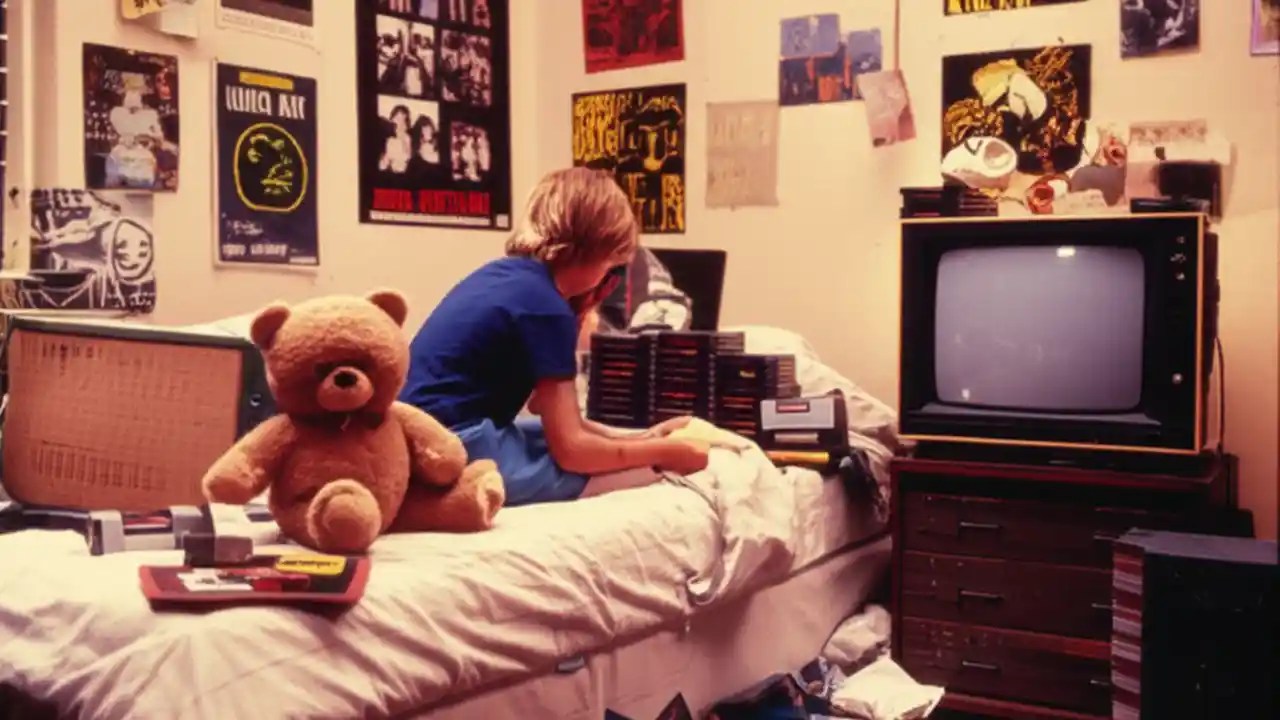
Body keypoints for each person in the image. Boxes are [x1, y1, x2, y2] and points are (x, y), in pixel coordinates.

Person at [400, 167, 712, 506]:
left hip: (414, 438)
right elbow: (572, 451)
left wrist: (643, 437)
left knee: (534, 435)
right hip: (455, 448)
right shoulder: (546, 307)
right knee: (636, 472)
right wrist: (663, 452)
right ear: (605, 251)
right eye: (612, 267)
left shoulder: (501, 274)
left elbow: (542, 409)